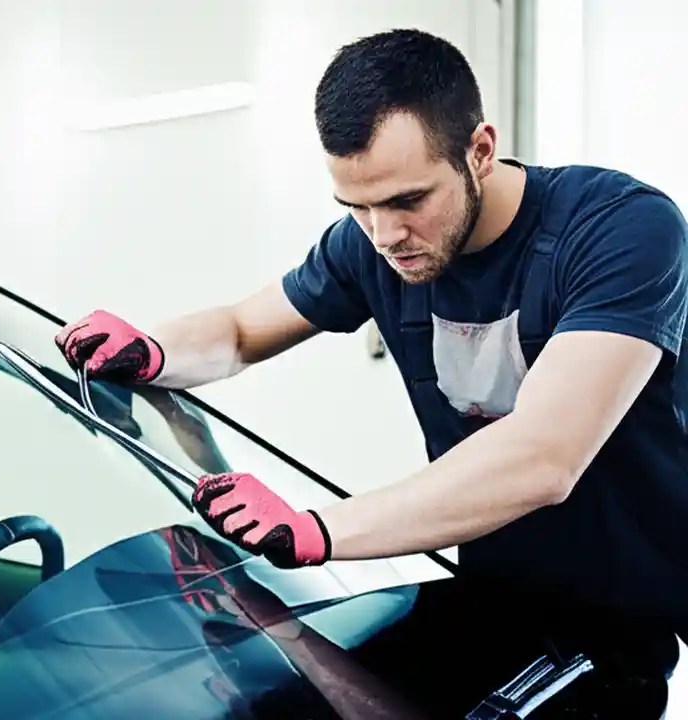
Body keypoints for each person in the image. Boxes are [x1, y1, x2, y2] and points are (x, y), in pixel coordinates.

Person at [54, 28, 688, 717]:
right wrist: (154, 350)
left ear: (480, 150)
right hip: (490, 596)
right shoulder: (369, 246)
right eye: (358, 206)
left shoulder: (619, 229)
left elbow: (544, 456)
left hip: (619, 624)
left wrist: (316, 530)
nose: (384, 235)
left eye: (408, 200)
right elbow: (239, 331)